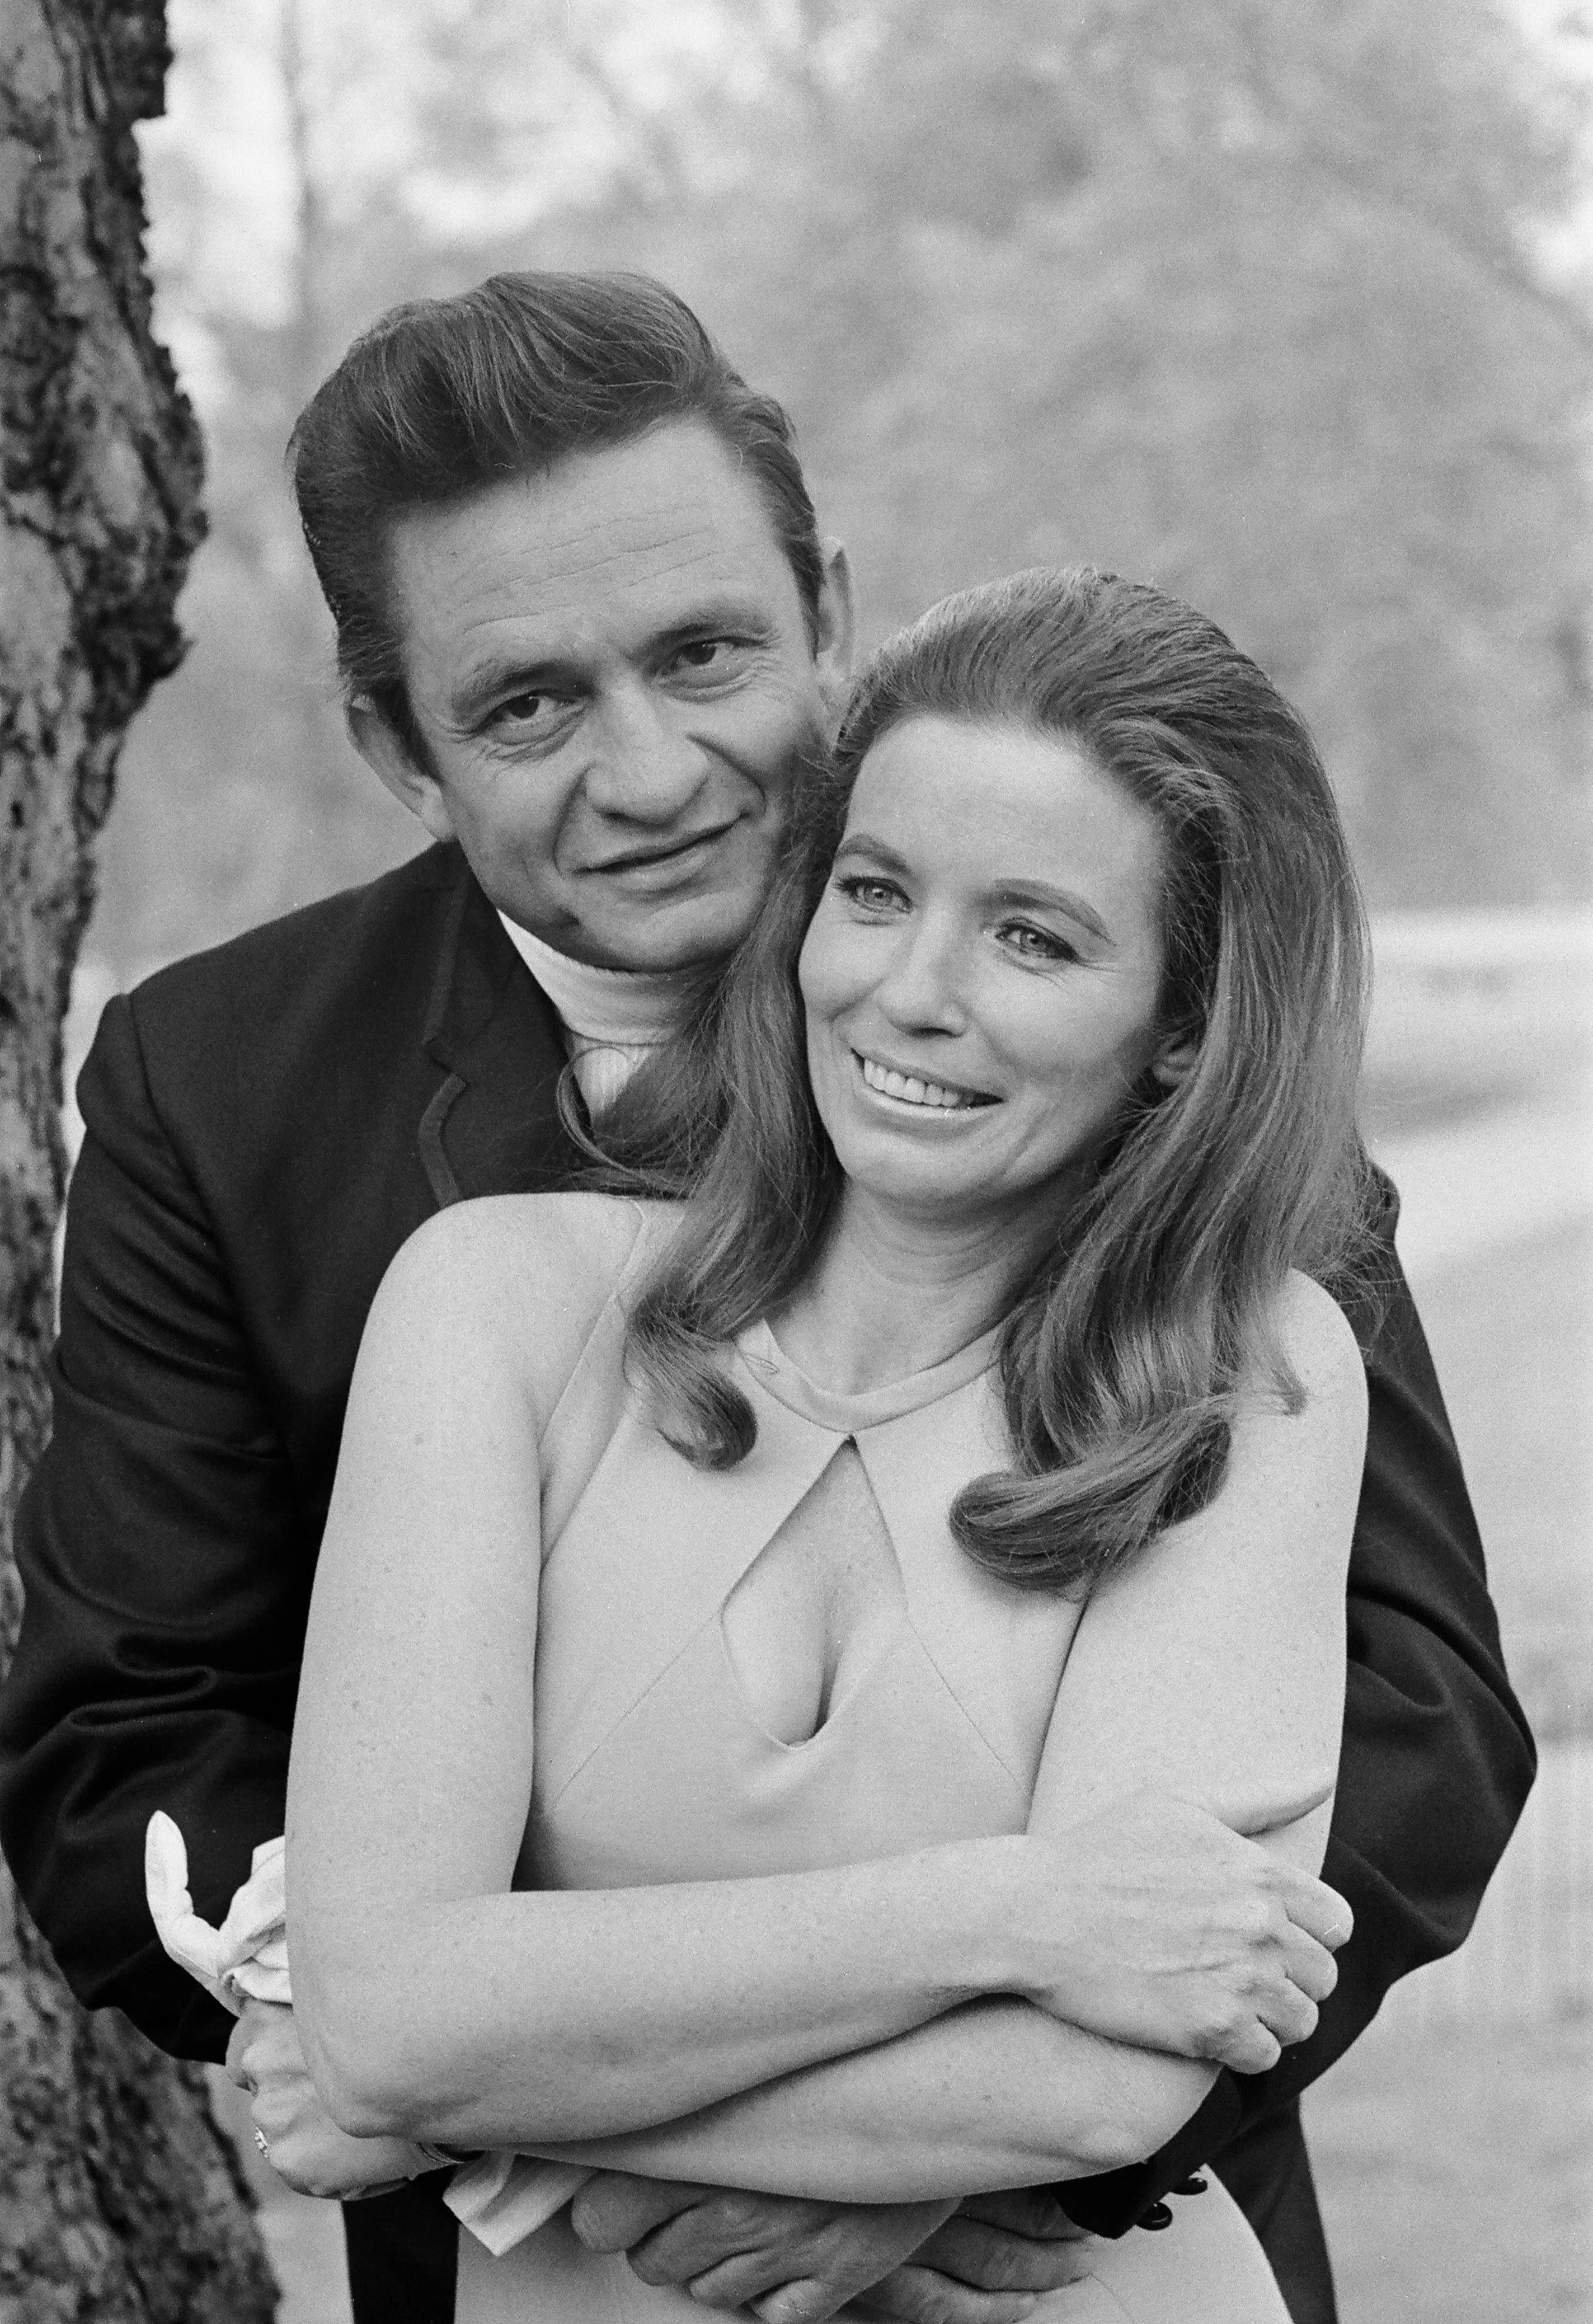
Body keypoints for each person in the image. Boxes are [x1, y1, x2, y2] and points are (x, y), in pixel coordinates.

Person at [0, 274, 1533, 2324]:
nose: (651, 773)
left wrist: (1004, 2129)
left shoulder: (1173, 1049)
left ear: (825, 598)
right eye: (530, 705)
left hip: (1064, 2245)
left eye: (709, 652)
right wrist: (393, 2021)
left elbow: (1417, 1714)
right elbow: (129, 1731)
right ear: (391, 739)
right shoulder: (229, 1085)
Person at [285, 562, 1386, 2323]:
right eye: (875, 892)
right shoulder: (491, 1306)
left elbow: (1098, 2087)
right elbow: (394, 2016)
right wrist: (1018, 1915)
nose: (908, 993)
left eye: (1033, 936)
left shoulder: (1246, 1373)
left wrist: (509, 2112)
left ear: (1182, 1030)